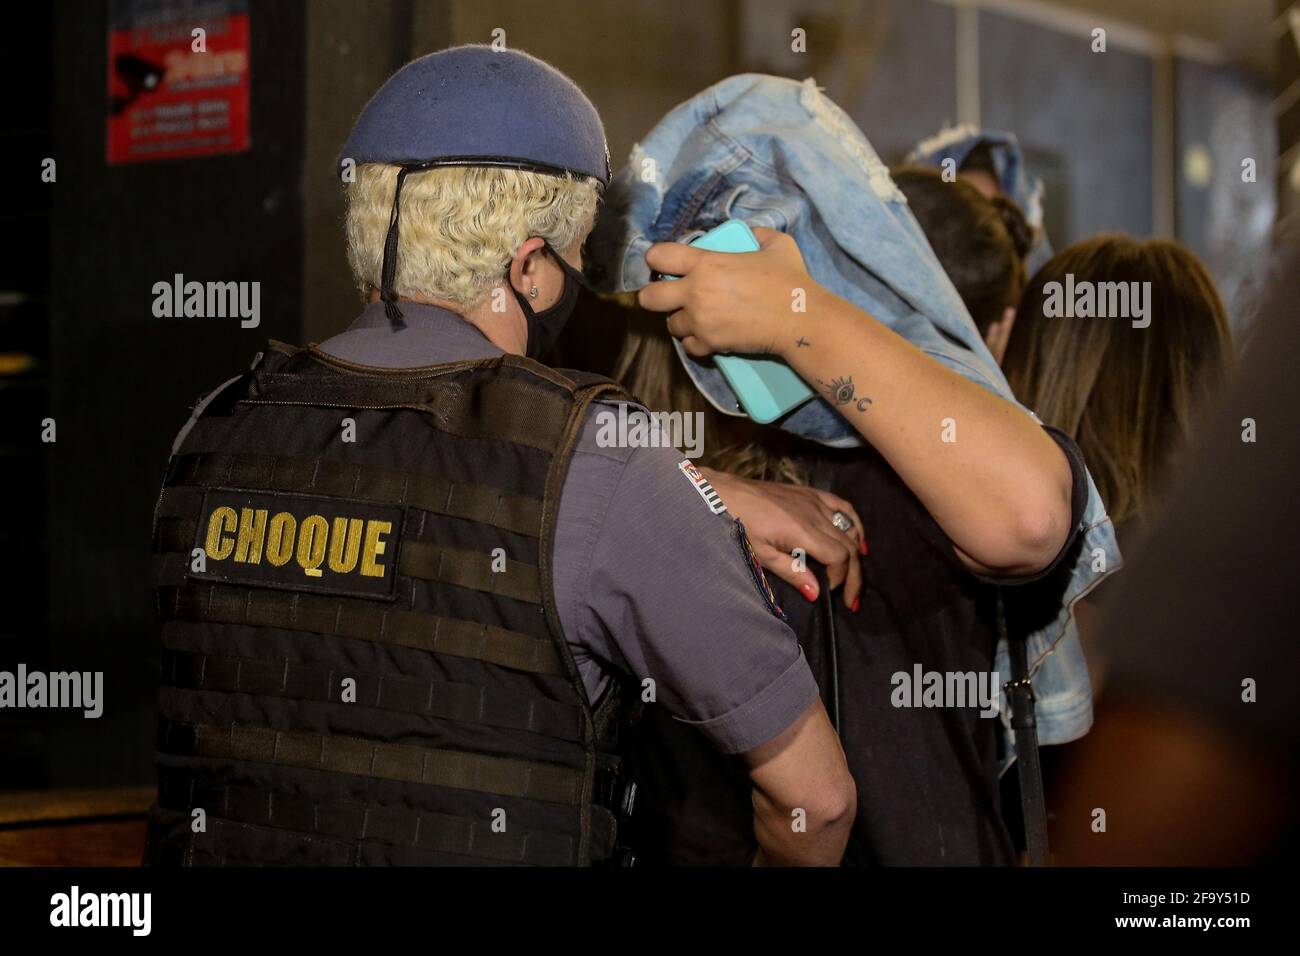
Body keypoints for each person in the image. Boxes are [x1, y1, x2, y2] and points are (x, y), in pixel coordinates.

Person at [143, 46, 853, 868]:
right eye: (576, 258)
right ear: (527, 267)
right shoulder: (596, 462)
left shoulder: (210, 428)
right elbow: (820, 802)